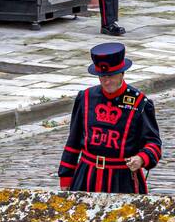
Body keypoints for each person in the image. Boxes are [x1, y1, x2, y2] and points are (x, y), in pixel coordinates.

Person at [57, 42, 162, 194]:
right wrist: (66, 176)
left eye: (111, 76)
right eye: (102, 76)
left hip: (121, 179)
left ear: (122, 73)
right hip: (86, 176)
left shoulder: (140, 103)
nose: (106, 81)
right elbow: (73, 140)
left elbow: (154, 144)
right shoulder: (85, 98)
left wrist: (141, 158)